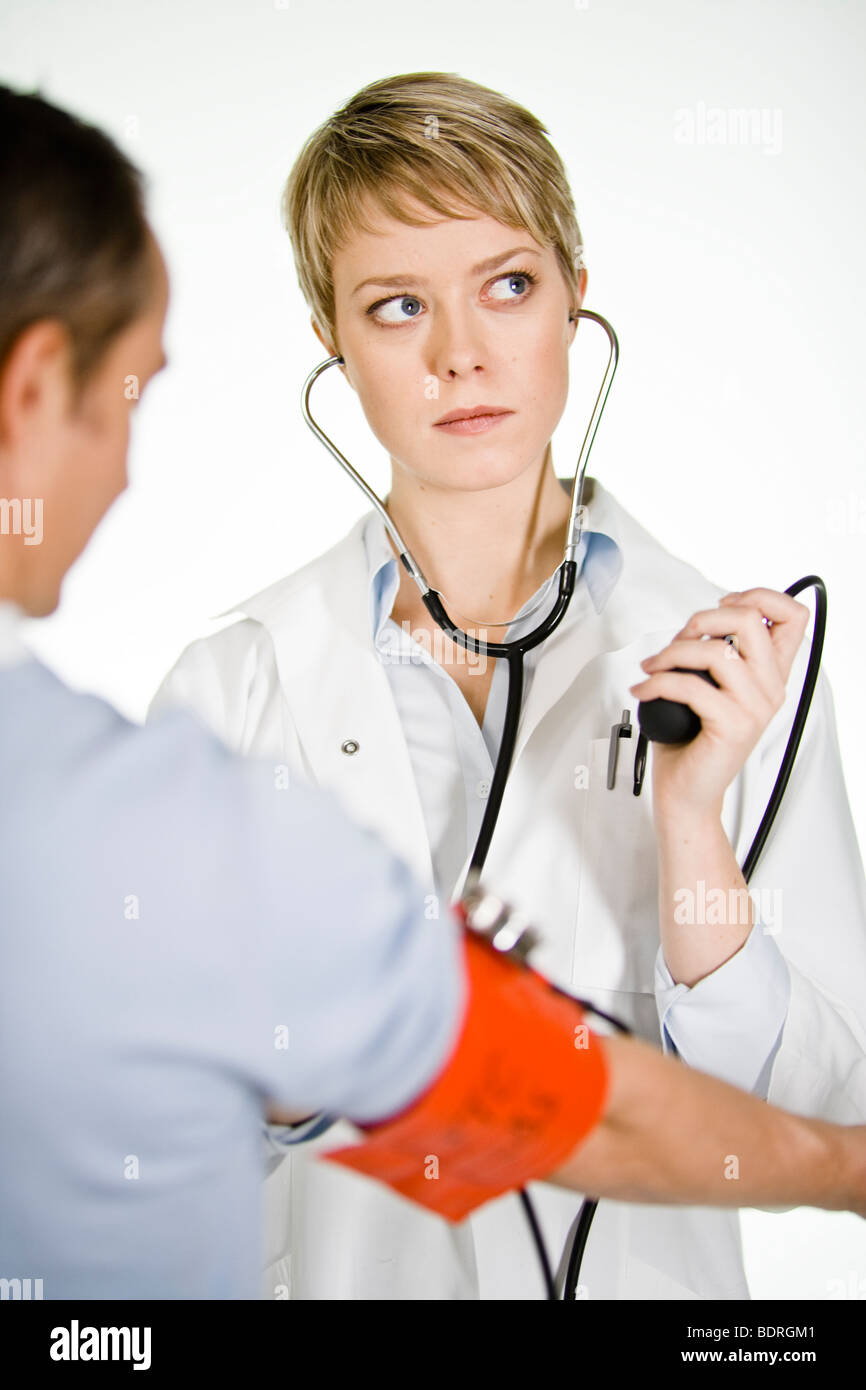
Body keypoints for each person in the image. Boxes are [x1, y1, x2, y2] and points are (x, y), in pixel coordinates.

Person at [151, 71, 866, 1300]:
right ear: (329, 336)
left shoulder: (736, 670)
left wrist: (688, 831)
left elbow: (824, 1116)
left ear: (575, 302)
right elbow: (143, 1153)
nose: (459, 355)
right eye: (394, 307)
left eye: (508, 285)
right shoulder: (233, 690)